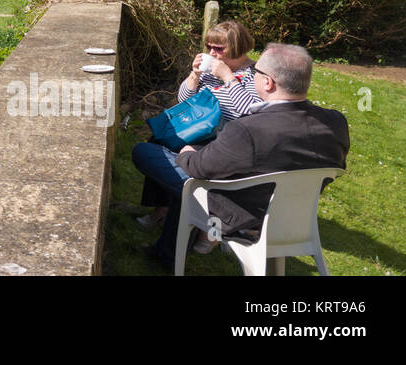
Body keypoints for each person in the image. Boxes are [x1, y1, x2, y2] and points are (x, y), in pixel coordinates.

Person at [132, 42, 349, 269]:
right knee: (188, 182)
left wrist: (187, 153)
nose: (252, 76)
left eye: (255, 73)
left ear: (268, 82)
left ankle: (173, 248)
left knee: (150, 155)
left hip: (239, 215)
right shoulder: (336, 123)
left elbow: (199, 169)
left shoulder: (248, 129)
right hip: (294, 218)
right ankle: (167, 252)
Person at [138, 20, 260, 234]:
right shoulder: (211, 69)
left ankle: (198, 224)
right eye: (209, 47)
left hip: (226, 140)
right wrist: (195, 75)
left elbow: (247, 111)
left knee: (179, 158)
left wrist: (227, 77)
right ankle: (161, 209)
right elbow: (184, 99)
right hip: (201, 130)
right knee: (159, 141)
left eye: (219, 48)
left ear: (238, 46)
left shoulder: (254, 75)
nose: (213, 52)